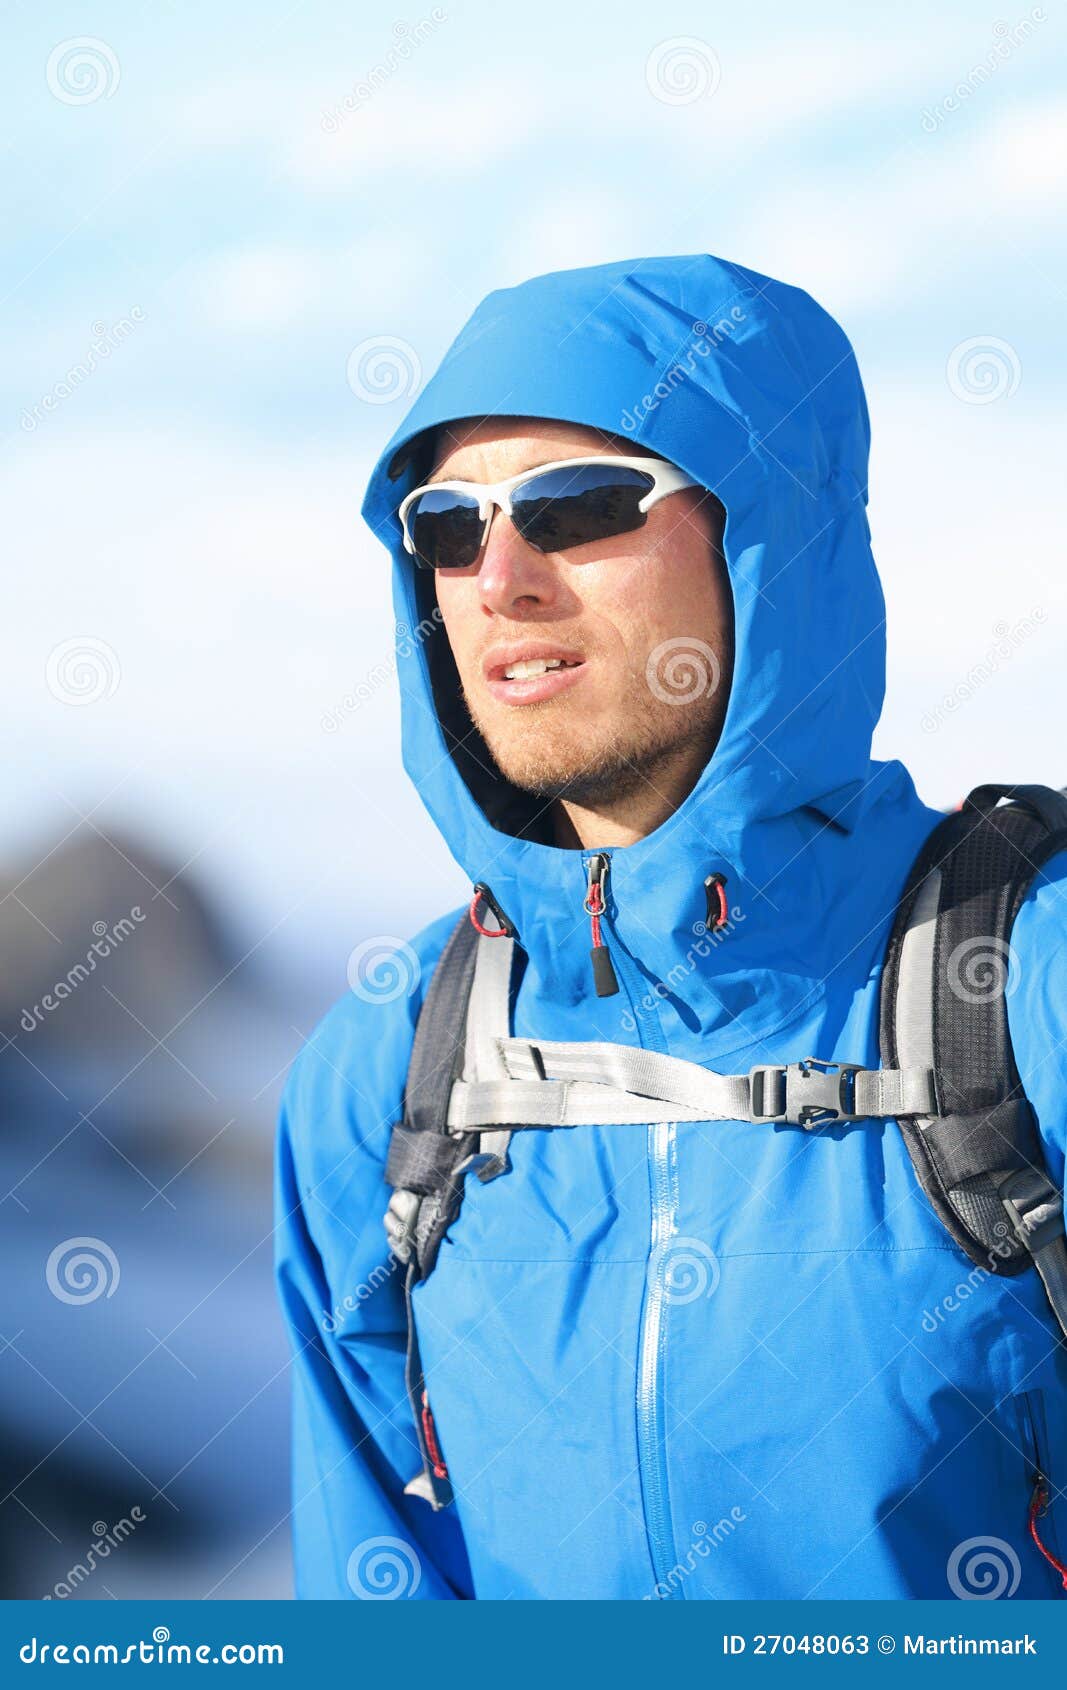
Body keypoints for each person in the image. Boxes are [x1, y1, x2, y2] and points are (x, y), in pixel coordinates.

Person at [274, 254, 1067, 1600]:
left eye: (578, 505)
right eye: (447, 526)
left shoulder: (1026, 986)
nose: (499, 577)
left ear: (773, 528)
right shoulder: (392, 1061)